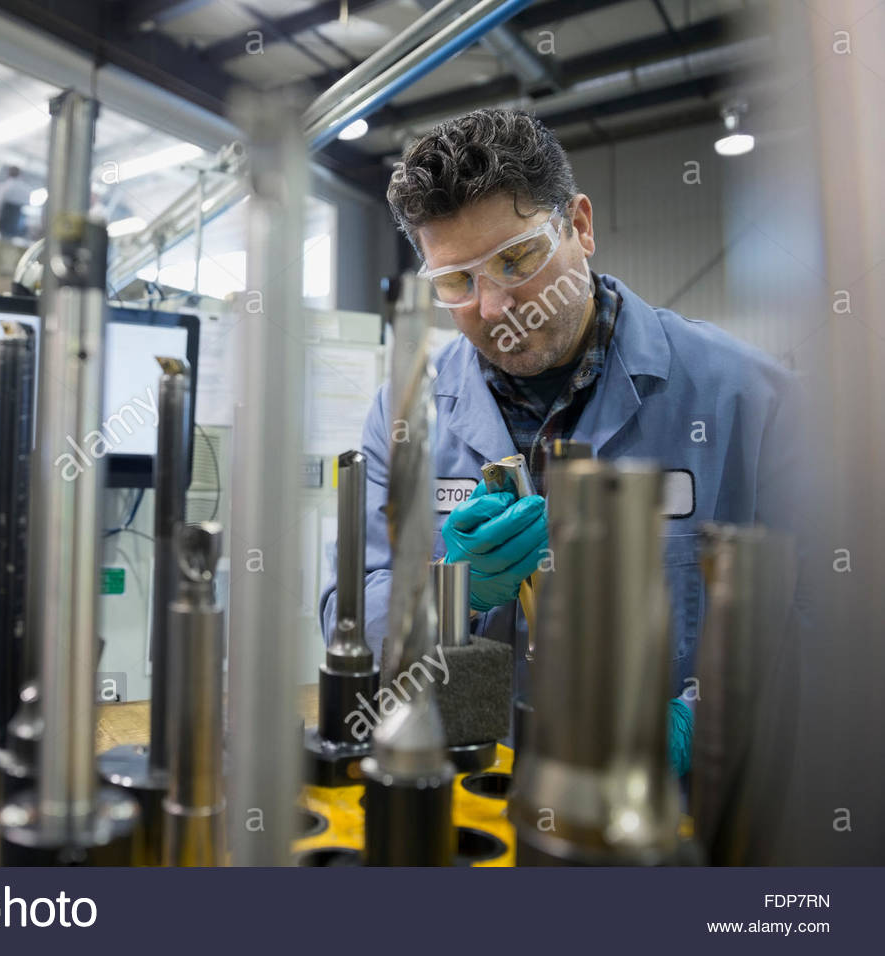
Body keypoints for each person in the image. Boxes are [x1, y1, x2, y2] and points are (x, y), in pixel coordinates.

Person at [318, 108, 806, 775]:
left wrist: (706, 721)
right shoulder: (404, 414)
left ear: (580, 225)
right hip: (476, 804)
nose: (493, 308)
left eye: (516, 259)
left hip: (669, 822)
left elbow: (827, 621)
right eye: (457, 283)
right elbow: (347, 615)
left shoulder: (749, 399)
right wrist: (446, 592)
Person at [0, 165, 25, 240]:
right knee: (11, 238)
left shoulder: (5, 186)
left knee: (2, 237)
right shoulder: (23, 187)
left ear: (9, 173)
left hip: (6, 215)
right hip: (16, 217)